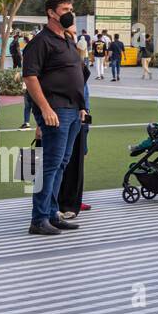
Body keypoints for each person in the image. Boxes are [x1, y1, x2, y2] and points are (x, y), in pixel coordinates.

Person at [20, 0, 87, 236]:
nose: (70, 12)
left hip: (72, 110)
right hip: (55, 110)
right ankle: (38, 219)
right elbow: (30, 77)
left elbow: (76, 75)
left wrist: (82, 106)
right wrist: (45, 109)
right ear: (51, 12)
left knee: (62, 164)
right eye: (65, 9)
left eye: (71, 7)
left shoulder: (68, 39)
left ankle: (52, 213)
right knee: (50, 165)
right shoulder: (41, 42)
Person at [58, 36, 93, 220]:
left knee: (77, 159)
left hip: (80, 118)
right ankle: (54, 202)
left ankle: (72, 200)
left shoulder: (79, 66)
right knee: (60, 162)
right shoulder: (57, 65)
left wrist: (86, 114)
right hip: (62, 117)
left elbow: (84, 93)